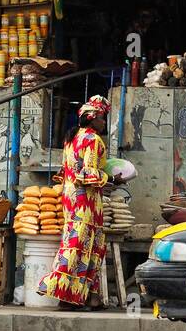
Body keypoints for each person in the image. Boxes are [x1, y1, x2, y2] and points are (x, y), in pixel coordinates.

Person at [37, 95, 122, 310]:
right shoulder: (92, 139)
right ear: (92, 119)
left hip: (72, 197)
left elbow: (66, 170)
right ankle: (65, 296)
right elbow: (88, 173)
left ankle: (89, 297)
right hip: (86, 200)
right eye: (102, 118)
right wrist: (112, 179)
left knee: (89, 244)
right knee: (79, 244)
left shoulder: (71, 138)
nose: (104, 122)